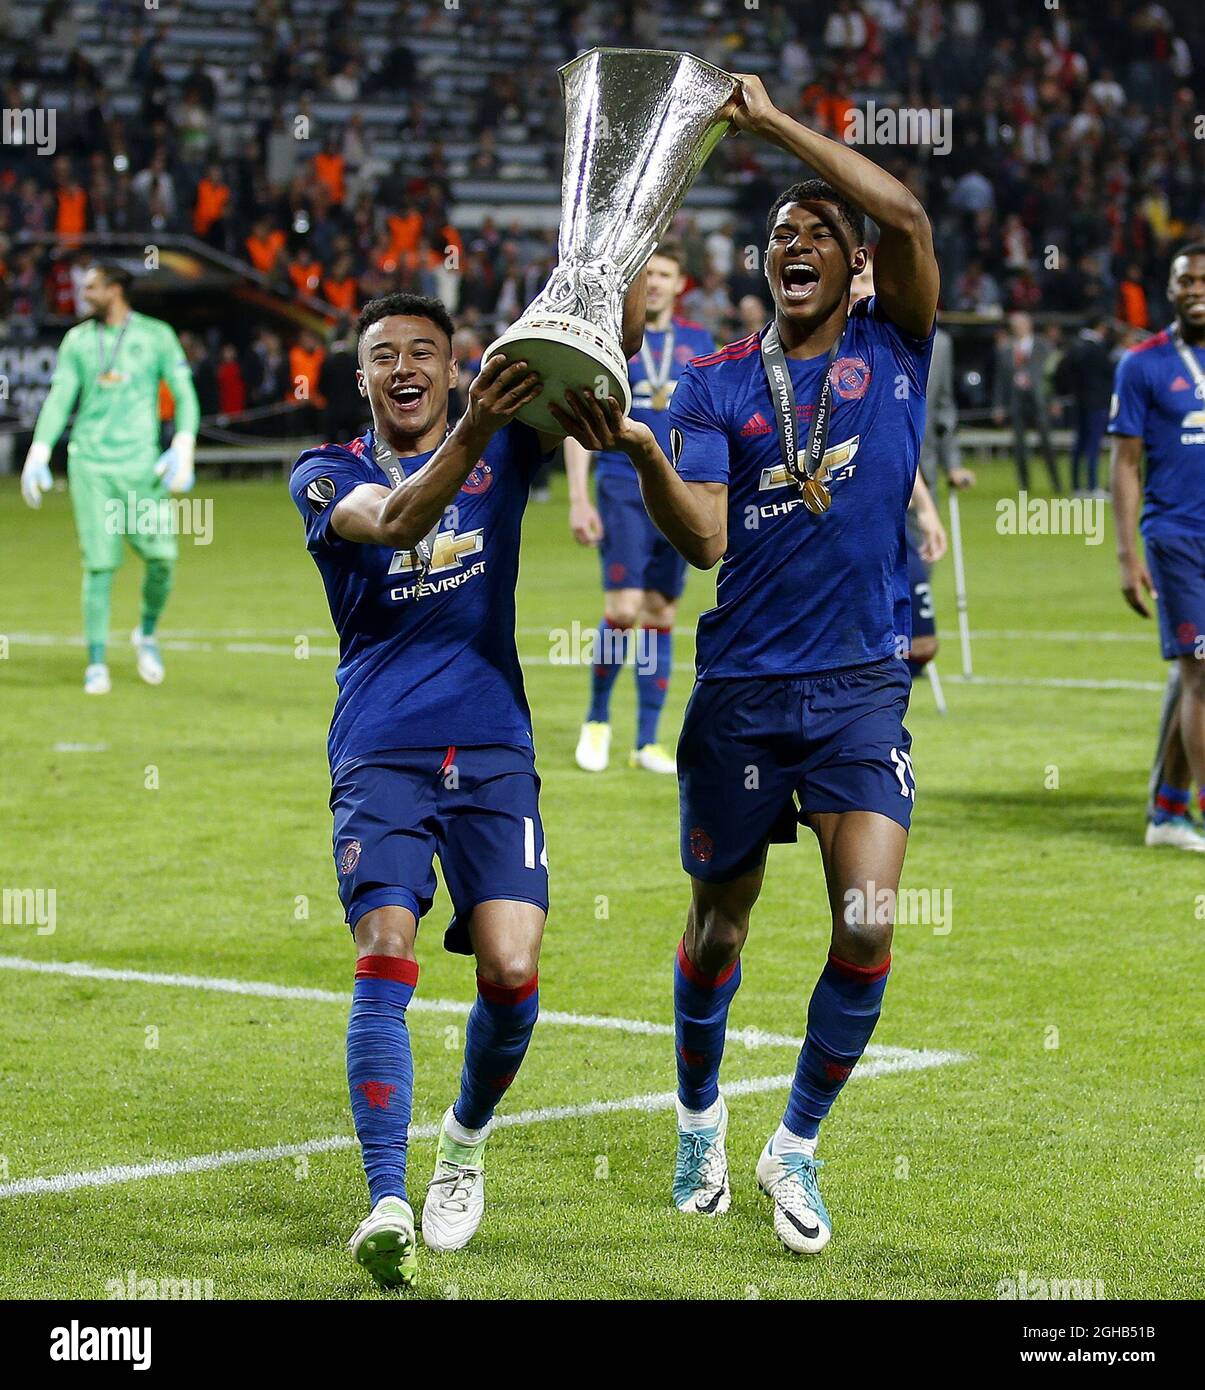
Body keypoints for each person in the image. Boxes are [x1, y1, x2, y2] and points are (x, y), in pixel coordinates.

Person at [549, 71, 939, 1256]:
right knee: (718, 929)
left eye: (818, 232)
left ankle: (797, 1143)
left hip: (860, 686)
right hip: (744, 696)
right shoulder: (717, 381)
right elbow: (704, 536)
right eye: (778, 236)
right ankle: (698, 1115)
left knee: (867, 922)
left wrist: (769, 126)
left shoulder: (897, 344)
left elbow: (910, 219)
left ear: (857, 267)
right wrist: (637, 453)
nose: (795, 246)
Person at [288, 284, 645, 1288]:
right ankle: (385, 1198)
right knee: (384, 946)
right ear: (359, 378)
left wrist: (604, 285)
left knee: (512, 970)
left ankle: (464, 1143)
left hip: (490, 747)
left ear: (453, 366)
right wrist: (481, 423)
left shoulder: (510, 442)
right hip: (381, 751)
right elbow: (399, 520)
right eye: (382, 355)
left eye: (421, 352)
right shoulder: (323, 474)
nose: (403, 368)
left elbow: (591, 366)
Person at [568, 242, 715, 776]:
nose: (654, 283)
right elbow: (577, 422)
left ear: (680, 285)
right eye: (647, 274)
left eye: (665, 275)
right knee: (624, 609)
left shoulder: (699, 343)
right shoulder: (613, 341)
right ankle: (598, 719)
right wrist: (580, 498)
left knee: (660, 613)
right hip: (621, 485)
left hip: (678, 490)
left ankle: (648, 740)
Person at [20, 262, 199, 694]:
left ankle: (147, 633)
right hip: (91, 465)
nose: (85, 294)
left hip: (141, 467)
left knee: (163, 559)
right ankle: (96, 662)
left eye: (93, 287)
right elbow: (61, 397)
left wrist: (184, 445)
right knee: (100, 564)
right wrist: (40, 449)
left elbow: (184, 394)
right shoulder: (77, 341)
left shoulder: (157, 335)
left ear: (116, 290)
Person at [1109, 242, 1205, 853]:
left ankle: (1168, 810)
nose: (1195, 290)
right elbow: (1124, 465)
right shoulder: (1141, 363)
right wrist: (1127, 554)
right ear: (1169, 290)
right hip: (1177, 538)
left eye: (1204, 281)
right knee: (1200, 673)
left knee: (1191, 679)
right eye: (1185, 281)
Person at [993, 311, 1062, 492]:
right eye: (1015, 326)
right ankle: (1024, 486)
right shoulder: (1006, 349)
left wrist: (1054, 400)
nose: (1018, 328)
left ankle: (1057, 483)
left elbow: (1051, 377)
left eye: (1021, 325)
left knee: (1047, 444)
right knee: (1020, 447)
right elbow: (1000, 381)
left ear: (1029, 325)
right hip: (1017, 402)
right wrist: (998, 406)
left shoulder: (1042, 346)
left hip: (1039, 402)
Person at [1056, 315, 1114, 496]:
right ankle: (1092, 485)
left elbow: (1061, 371)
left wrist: (1070, 391)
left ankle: (1076, 486)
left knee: (1079, 443)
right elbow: (1109, 374)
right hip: (1097, 402)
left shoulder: (1074, 347)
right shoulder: (1096, 349)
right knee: (1093, 444)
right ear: (1100, 326)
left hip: (1078, 400)